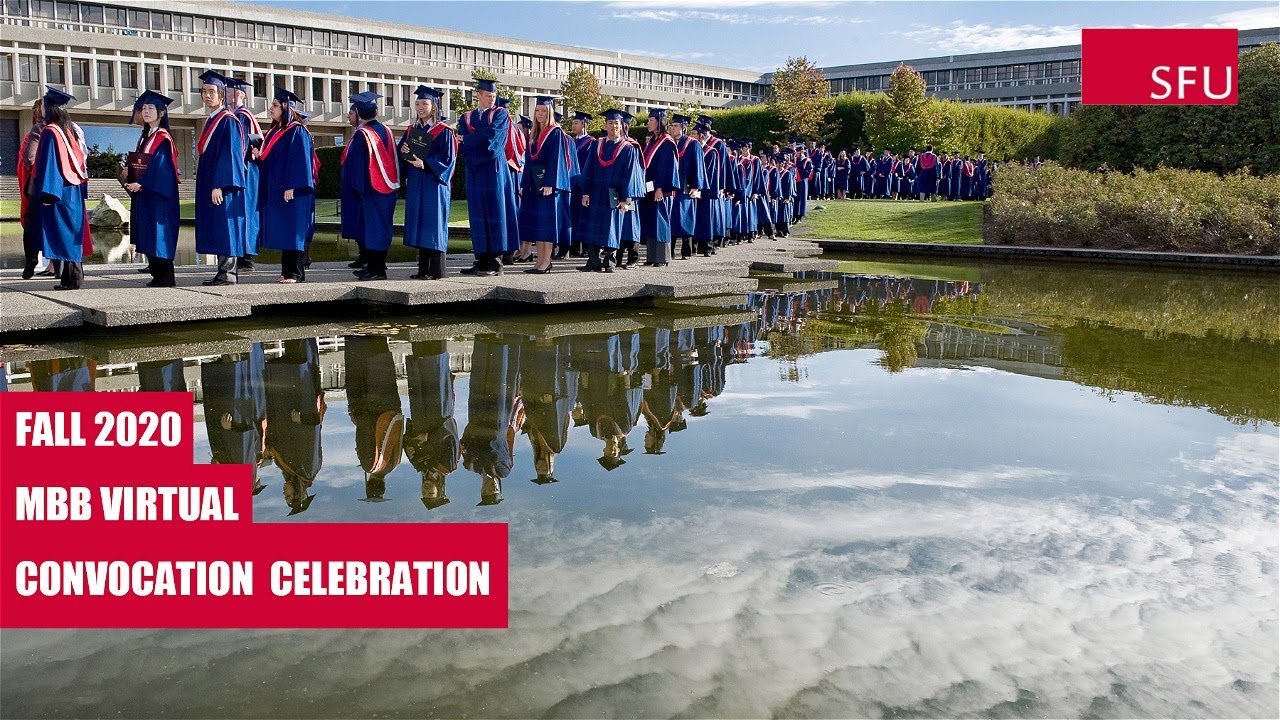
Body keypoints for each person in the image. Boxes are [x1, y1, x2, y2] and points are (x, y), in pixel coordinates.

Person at [456, 78, 518, 276]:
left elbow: (493, 140)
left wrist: (469, 138)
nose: (492, 100)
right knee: (477, 214)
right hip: (474, 170)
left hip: (494, 170)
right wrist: (473, 141)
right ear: (478, 95)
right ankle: (481, 259)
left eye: (494, 96)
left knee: (495, 211)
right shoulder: (466, 117)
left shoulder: (500, 114)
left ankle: (495, 261)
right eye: (488, 96)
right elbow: (461, 142)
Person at [32, 86, 88, 291]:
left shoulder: (50, 132)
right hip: (71, 189)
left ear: (49, 109)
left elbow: (50, 163)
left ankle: (70, 280)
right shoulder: (68, 131)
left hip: (58, 191)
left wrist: (48, 193)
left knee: (62, 235)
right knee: (70, 235)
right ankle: (73, 277)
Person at [194, 71, 247, 287]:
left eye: (212, 92)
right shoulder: (213, 119)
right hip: (212, 182)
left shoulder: (228, 121)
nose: (207, 95)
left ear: (222, 95)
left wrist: (220, 184)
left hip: (223, 185)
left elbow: (231, 154)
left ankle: (228, 275)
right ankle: (221, 273)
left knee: (226, 228)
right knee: (218, 227)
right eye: (204, 91)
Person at [123, 90, 181, 287]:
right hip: (146, 194)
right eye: (144, 108)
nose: (146, 111)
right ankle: (158, 275)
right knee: (148, 234)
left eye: (151, 108)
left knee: (159, 235)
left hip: (159, 195)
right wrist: (129, 173)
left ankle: (165, 277)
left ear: (161, 112)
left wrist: (142, 183)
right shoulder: (147, 136)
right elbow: (142, 164)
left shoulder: (163, 138)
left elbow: (161, 167)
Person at [258, 86, 315, 284]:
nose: (271, 109)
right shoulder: (276, 131)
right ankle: (286, 271)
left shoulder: (297, 131)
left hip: (294, 191)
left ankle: (297, 273)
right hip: (280, 190)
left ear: (286, 107)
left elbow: (300, 162)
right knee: (285, 230)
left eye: (274, 105)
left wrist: (293, 186)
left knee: (295, 231)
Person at [577, 108, 646, 273]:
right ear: (605, 125)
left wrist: (625, 199)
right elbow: (588, 169)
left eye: (616, 123)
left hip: (614, 195)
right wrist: (585, 192)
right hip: (596, 191)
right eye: (610, 123)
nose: (613, 126)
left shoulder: (628, 149)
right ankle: (593, 261)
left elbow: (630, 175)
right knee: (592, 226)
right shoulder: (597, 145)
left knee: (612, 227)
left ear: (621, 126)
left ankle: (609, 262)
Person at [398, 85, 455, 280]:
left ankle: (436, 270)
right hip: (416, 182)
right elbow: (401, 156)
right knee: (420, 223)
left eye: (425, 103)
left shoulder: (445, 131)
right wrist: (404, 150)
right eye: (417, 103)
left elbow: (449, 160)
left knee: (433, 223)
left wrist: (426, 164)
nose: (420, 107)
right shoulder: (412, 130)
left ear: (434, 105)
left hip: (434, 183)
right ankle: (422, 269)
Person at [342, 91, 400, 281]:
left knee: (373, 229)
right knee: (380, 228)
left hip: (370, 189)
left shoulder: (362, 134)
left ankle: (377, 270)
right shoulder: (386, 130)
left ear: (359, 112)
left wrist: (357, 190)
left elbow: (358, 166)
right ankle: (375, 267)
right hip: (388, 188)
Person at [265, 338, 326, 513]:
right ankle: (304, 335)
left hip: (284, 410)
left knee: (294, 360)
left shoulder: (292, 472)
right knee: (302, 363)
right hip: (297, 406)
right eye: (289, 496)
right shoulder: (308, 470)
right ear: (300, 494)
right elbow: (312, 438)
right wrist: (303, 421)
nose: (285, 493)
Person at [517, 96, 576, 274]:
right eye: (537, 111)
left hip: (548, 186)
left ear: (550, 112)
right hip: (534, 184)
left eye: (543, 111)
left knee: (547, 224)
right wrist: (523, 183)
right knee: (537, 223)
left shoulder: (555, 133)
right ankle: (539, 261)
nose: (540, 114)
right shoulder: (534, 134)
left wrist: (551, 182)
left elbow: (556, 159)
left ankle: (546, 261)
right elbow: (528, 162)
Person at [345, 336, 405, 502]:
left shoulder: (394, 464)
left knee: (380, 367)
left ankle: (378, 337)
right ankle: (359, 336)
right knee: (361, 367)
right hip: (370, 409)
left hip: (390, 406)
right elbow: (364, 434)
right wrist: (357, 418)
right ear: (368, 484)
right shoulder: (368, 465)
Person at [404, 340, 460, 511]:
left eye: (424, 493)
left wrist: (411, 440)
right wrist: (427, 438)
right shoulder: (448, 465)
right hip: (439, 413)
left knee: (419, 375)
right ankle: (436, 340)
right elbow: (451, 436)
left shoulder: (419, 465)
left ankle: (418, 342)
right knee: (436, 375)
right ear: (440, 489)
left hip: (420, 414)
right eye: (431, 493)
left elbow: (406, 442)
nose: (426, 490)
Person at [226, 77, 262, 272]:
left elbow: (255, 145)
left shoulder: (245, 115)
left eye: (230, 92)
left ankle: (247, 258)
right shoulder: (232, 115)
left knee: (247, 212)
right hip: (239, 171)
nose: (226, 95)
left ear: (239, 94)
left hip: (246, 172)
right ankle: (240, 255)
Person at [17, 98, 49, 279]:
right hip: (57, 186)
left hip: (36, 184)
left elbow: (28, 160)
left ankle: (31, 258)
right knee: (53, 224)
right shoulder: (67, 129)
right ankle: (56, 265)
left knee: (31, 223)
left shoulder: (36, 131)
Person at [667, 113, 706, 261]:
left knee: (685, 219)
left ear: (683, 127)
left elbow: (698, 166)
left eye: (676, 126)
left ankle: (686, 251)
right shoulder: (670, 143)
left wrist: (696, 186)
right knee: (672, 219)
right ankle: (669, 252)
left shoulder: (692, 144)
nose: (673, 128)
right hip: (672, 187)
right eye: (672, 125)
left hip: (686, 187)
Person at [690, 120, 723, 258]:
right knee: (695, 219)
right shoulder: (692, 149)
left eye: (694, 134)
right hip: (694, 190)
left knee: (706, 220)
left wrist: (701, 188)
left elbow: (709, 174)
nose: (691, 136)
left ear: (701, 136)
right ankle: (694, 246)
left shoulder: (711, 152)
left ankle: (708, 247)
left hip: (705, 192)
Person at [341, 100, 367, 270]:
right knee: (356, 222)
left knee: (362, 222)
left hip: (360, 187)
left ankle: (367, 256)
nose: (348, 116)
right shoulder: (356, 133)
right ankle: (362, 255)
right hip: (351, 185)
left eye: (351, 113)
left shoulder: (364, 134)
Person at [567, 111, 595, 259]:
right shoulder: (571, 141)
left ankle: (584, 247)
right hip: (572, 183)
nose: (573, 125)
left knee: (583, 215)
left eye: (576, 123)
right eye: (573, 123)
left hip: (583, 184)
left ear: (584, 124)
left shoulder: (591, 143)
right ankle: (573, 246)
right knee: (573, 215)